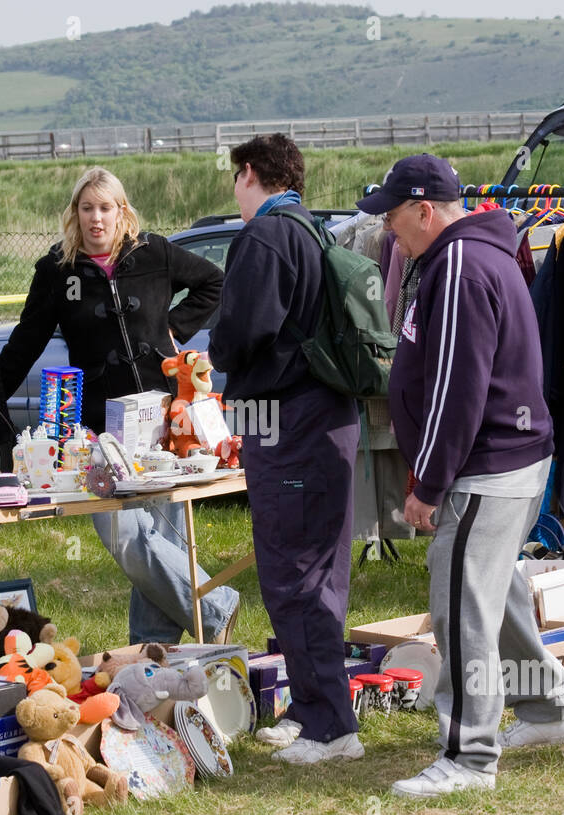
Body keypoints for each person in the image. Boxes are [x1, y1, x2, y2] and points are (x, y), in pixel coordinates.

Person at [362, 154, 564, 796]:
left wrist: (427, 485)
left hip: (487, 465)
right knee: (496, 593)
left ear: (424, 211)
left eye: (394, 220)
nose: (389, 234)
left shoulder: (455, 265)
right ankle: (546, 710)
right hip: (507, 458)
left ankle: (469, 755)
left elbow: (460, 387)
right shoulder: (474, 254)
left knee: (461, 605)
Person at [0, 167, 240, 645]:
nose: (96, 218)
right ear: (75, 214)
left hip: (162, 419)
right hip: (97, 430)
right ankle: (214, 606)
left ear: (121, 211)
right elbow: (26, 340)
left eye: (105, 208)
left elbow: (214, 282)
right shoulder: (56, 270)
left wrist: (175, 328)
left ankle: (153, 659)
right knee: (124, 535)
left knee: (163, 538)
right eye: (86, 208)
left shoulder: (155, 253)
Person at [209, 134, 363, 765]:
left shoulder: (264, 237)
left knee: (293, 575)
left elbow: (238, 338)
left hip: (288, 424)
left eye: (235, 179)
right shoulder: (315, 228)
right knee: (322, 570)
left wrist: (215, 347)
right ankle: (310, 704)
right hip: (328, 419)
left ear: (249, 173)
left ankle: (331, 726)